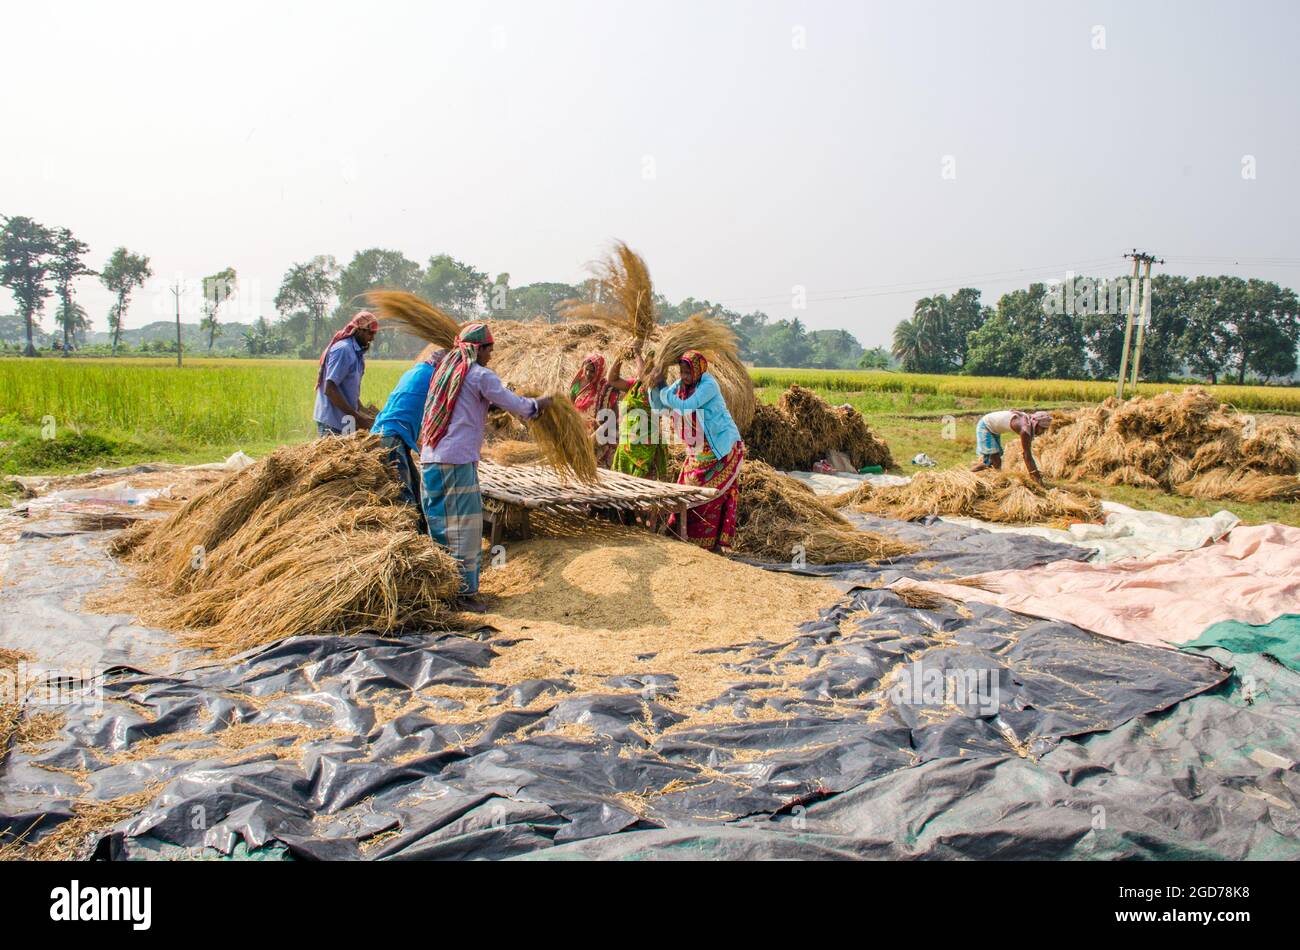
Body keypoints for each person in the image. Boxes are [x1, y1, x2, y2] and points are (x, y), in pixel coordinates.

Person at [419, 323, 551, 613]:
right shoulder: (480, 374)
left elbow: (473, 406)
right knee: (466, 528)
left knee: (440, 526)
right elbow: (516, 404)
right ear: (478, 349)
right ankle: (464, 594)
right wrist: (540, 404)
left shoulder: (447, 373)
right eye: (490, 349)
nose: (492, 354)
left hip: (430, 459)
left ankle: (439, 589)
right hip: (456, 461)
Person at [648, 350, 744, 552]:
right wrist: (654, 384)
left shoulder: (709, 385)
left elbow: (685, 406)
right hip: (698, 451)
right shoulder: (682, 385)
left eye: (687, 372)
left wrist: (663, 390)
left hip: (722, 449)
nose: (684, 376)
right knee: (687, 493)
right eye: (681, 372)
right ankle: (680, 535)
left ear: (699, 369)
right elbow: (658, 406)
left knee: (711, 499)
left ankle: (710, 545)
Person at [371, 344, 445, 514]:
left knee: (416, 489)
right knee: (404, 495)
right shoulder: (433, 377)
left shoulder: (415, 371)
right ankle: (412, 536)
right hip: (391, 437)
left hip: (386, 433)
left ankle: (422, 532)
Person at [314, 311, 379, 436]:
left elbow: (347, 390)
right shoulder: (343, 350)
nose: (372, 338)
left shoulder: (356, 353)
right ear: (359, 330)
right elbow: (330, 389)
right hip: (332, 421)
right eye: (370, 333)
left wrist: (362, 410)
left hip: (345, 420)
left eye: (374, 334)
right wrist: (358, 418)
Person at [609, 350, 669, 480]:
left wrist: (636, 354)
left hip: (644, 451)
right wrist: (621, 356)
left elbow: (646, 379)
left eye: (652, 369)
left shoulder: (660, 390)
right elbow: (612, 380)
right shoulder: (634, 386)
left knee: (641, 488)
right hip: (627, 446)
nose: (648, 370)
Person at [569, 352, 622, 467]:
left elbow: (613, 417)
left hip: (601, 438)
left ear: (599, 371)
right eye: (586, 369)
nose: (588, 373)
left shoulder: (607, 390)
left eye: (592, 371)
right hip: (579, 437)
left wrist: (593, 438)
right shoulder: (578, 385)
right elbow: (570, 407)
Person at [972, 409, 1053, 484]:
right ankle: (995, 481)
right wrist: (1037, 479)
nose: (1043, 432)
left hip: (993, 429)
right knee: (996, 460)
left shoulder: (1028, 420)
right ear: (1036, 424)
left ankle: (986, 479)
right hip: (985, 427)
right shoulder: (1024, 429)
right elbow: (1027, 456)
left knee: (991, 463)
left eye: (1045, 429)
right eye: (1042, 428)